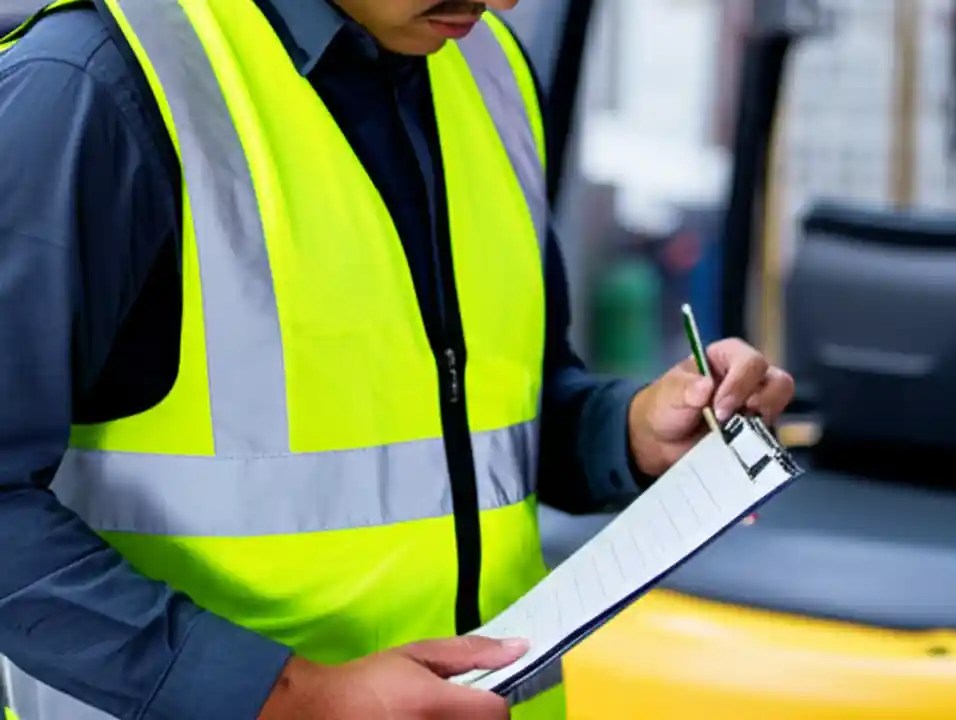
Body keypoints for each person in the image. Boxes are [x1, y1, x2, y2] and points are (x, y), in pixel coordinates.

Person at [0, 1, 795, 719]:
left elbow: (485, 411)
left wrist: (627, 431)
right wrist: (292, 697)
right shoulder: (90, 88)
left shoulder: (490, 74)